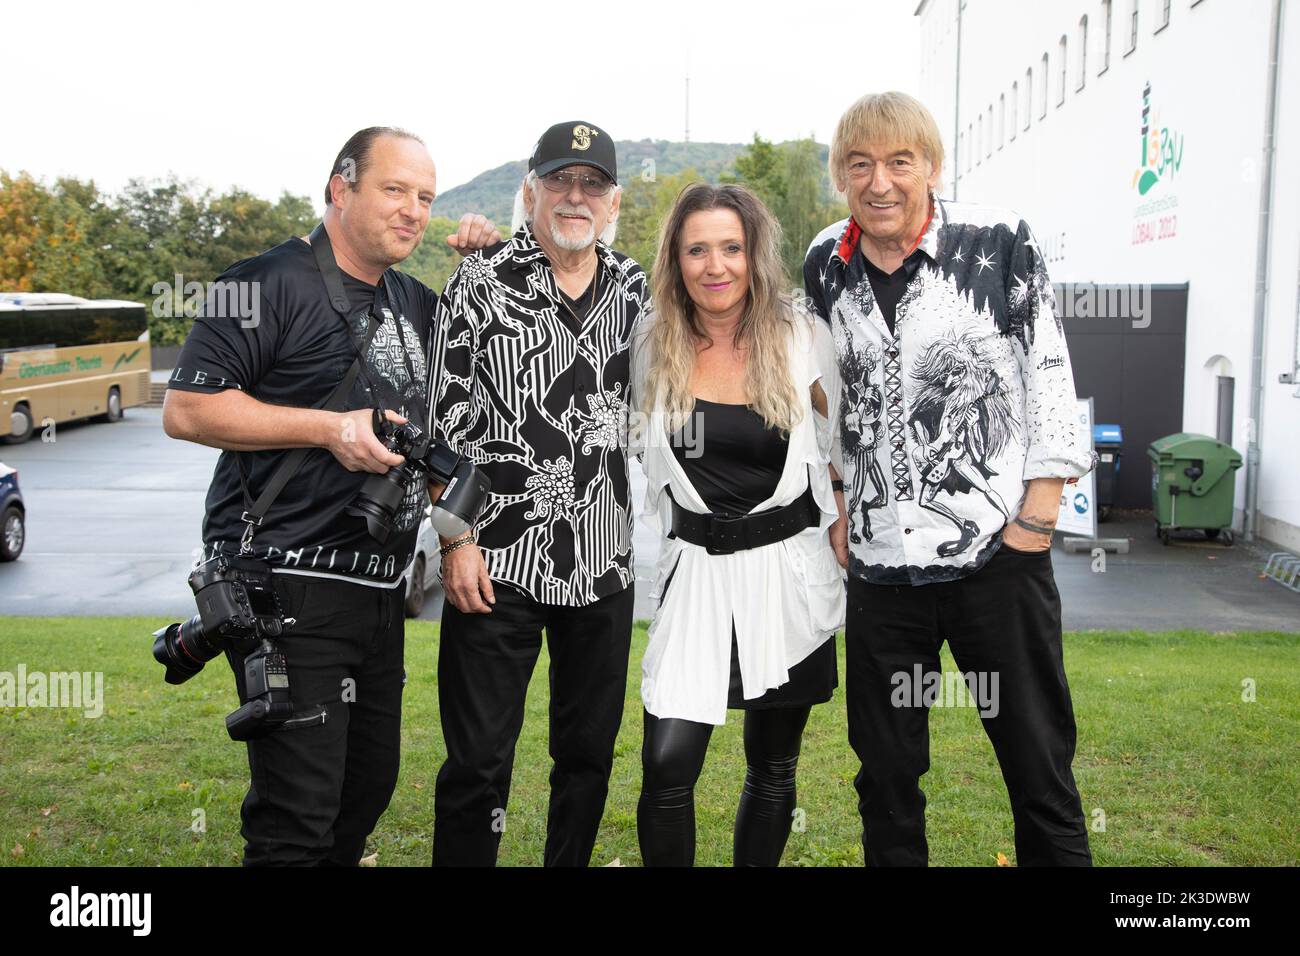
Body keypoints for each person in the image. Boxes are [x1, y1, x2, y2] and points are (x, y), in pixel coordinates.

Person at [162, 126, 498, 866]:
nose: (413, 210)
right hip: (286, 586)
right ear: (340, 188)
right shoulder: (266, 282)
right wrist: (330, 429)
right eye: (394, 189)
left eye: (426, 197)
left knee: (365, 791)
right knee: (298, 818)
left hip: (379, 593)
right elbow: (187, 409)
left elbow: (435, 433)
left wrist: (457, 536)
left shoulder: (416, 301)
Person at [802, 92, 1095, 866]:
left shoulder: (998, 241)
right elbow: (826, 400)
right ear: (841, 176)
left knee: (1038, 769)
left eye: (900, 161)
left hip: (997, 561)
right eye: (860, 164)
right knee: (887, 781)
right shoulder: (825, 262)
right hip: (881, 571)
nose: (880, 182)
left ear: (932, 166)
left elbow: (1049, 372)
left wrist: (1037, 519)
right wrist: (839, 499)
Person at [428, 121, 647, 866]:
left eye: (592, 184)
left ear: (614, 202)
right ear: (530, 191)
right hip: (496, 565)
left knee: (586, 757)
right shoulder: (479, 283)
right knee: (477, 763)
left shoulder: (638, 291)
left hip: (603, 565)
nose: (575, 196)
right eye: (560, 180)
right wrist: (455, 540)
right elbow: (444, 425)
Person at [629, 183, 847, 867]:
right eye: (697, 250)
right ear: (676, 258)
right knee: (667, 764)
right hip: (695, 574)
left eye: (732, 247)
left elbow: (841, 440)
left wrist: (843, 509)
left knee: (773, 763)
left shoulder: (801, 337)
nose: (715, 265)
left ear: (755, 255)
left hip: (786, 574)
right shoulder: (652, 341)